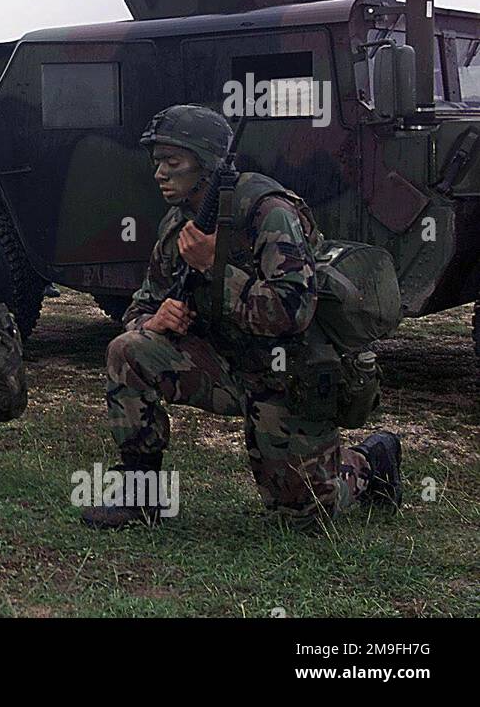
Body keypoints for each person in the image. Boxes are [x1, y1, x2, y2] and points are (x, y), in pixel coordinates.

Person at [82, 104, 402, 529]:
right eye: (157, 162)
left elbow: (294, 312)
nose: (159, 173)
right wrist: (151, 321)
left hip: (288, 373)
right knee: (129, 351)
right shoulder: (178, 224)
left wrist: (217, 270)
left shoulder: (268, 212)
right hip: (224, 362)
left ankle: (369, 461)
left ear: (206, 164)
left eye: (172, 162)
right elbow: (142, 303)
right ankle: (142, 497)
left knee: (303, 517)